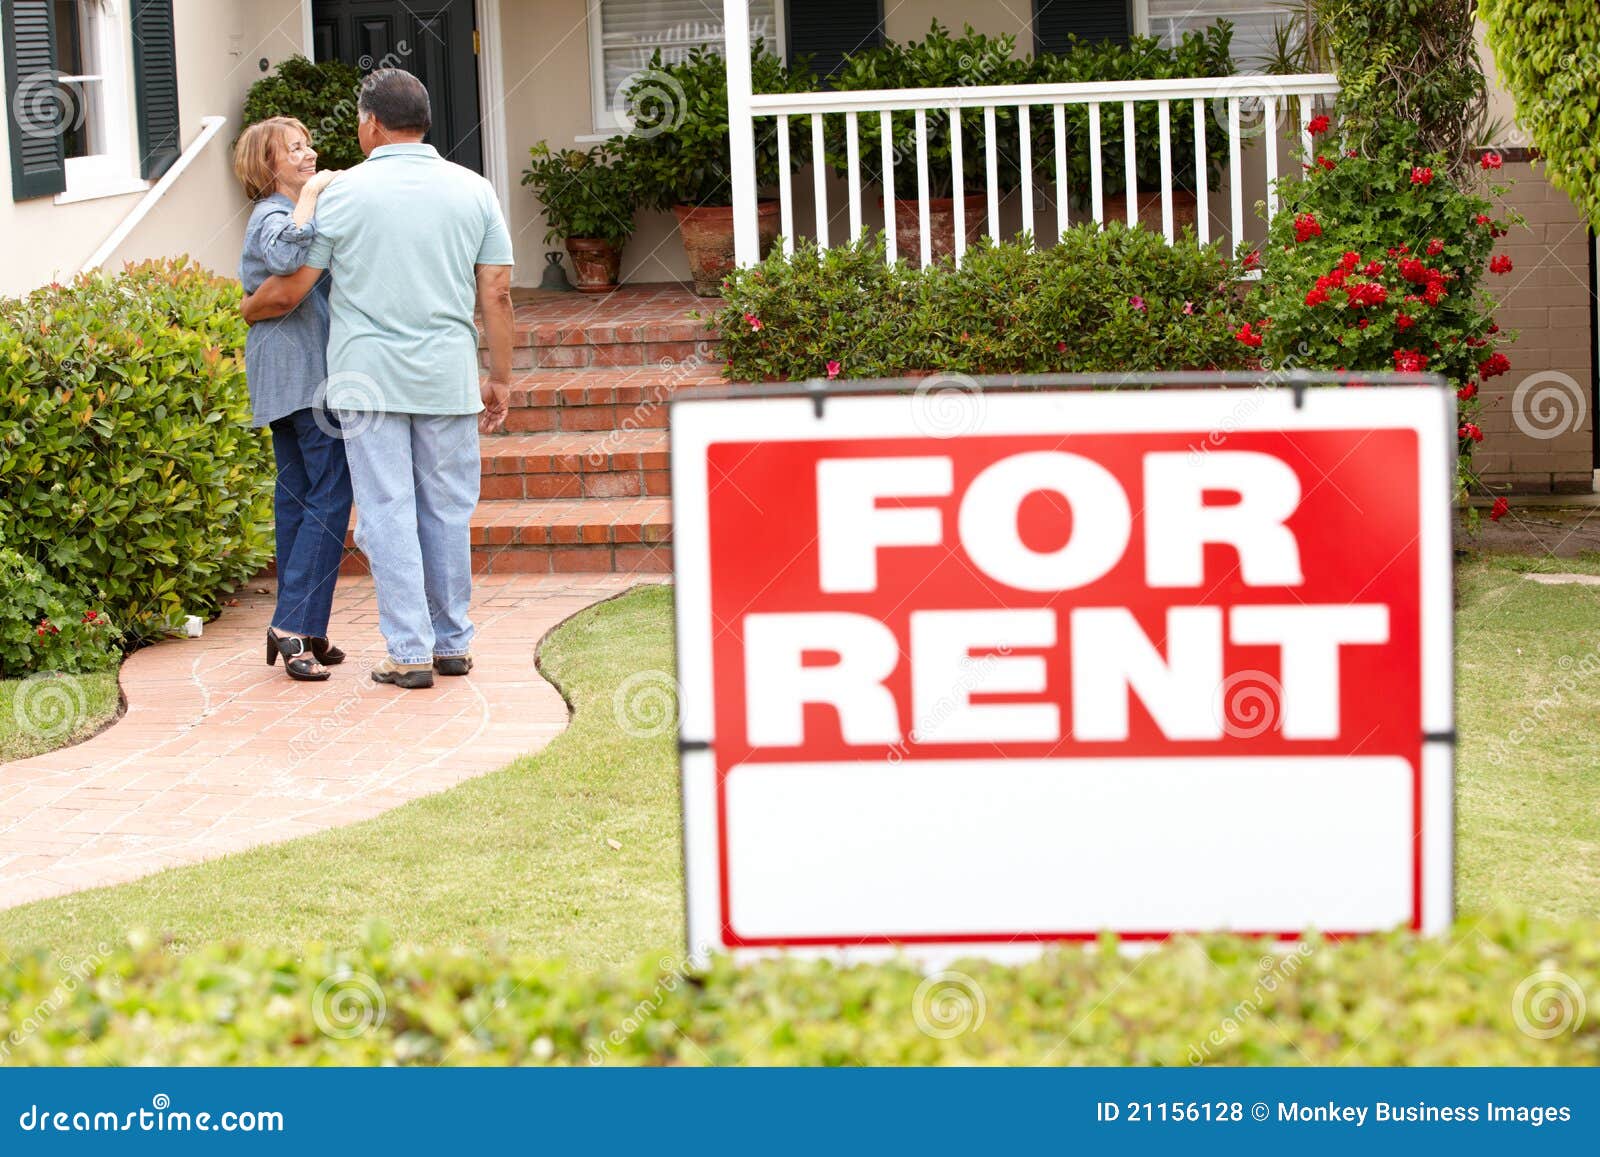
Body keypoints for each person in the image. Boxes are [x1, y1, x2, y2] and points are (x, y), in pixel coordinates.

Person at [242, 69, 515, 690]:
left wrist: (247, 307)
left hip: (366, 382)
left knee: (387, 511)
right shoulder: (474, 188)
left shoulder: (340, 193)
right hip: (448, 376)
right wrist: (499, 377)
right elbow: (496, 293)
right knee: (446, 509)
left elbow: (294, 287)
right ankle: (452, 643)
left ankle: (410, 653)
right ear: (424, 121)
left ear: (370, 123)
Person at [232, 116, 352, 683]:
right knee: (331, 492)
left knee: (300, 496)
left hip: (287, 369)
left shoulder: (285, 212)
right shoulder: (274, 215)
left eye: (308, 145)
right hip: (301, 371)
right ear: (268, 166)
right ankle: (292, 623)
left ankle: (305, 627)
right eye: (294, 150)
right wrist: (311, 193)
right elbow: (283, 259)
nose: (308, 155)